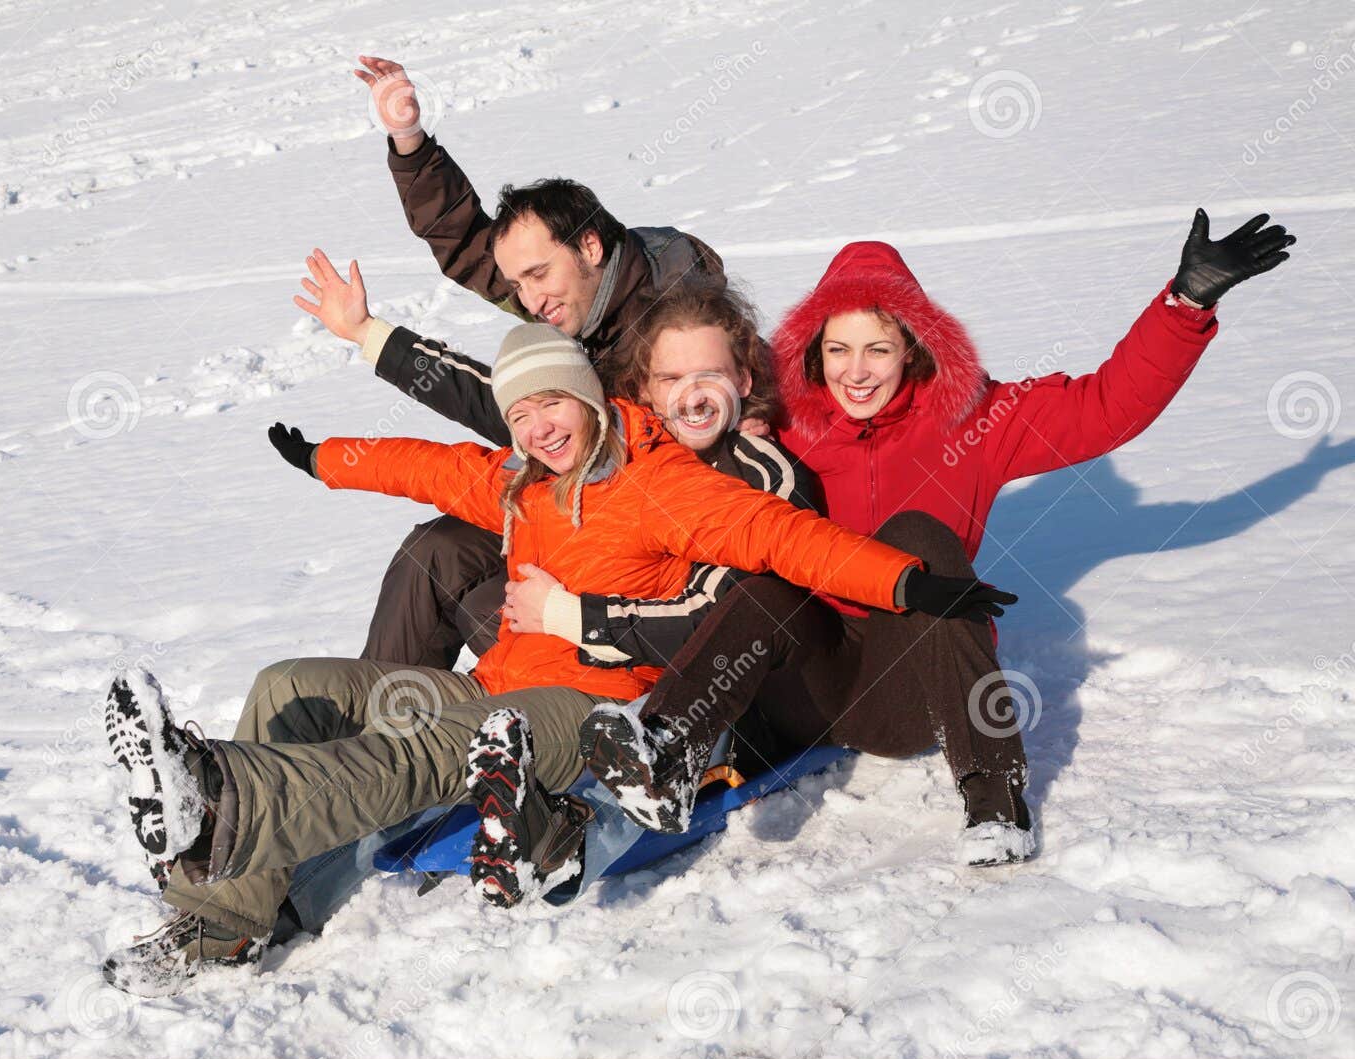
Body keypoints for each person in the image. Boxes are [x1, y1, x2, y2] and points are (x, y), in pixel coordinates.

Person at [101, 322, 1005, 995]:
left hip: (588, 711)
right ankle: (226, 919)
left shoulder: (664, 481)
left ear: (591, 398)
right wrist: (326, 459)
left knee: (424, 752)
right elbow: (431, 465)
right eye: (521, 412)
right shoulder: (522, 483)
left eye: (552, 403)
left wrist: (909, 584)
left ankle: (221, 797)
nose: (539, 424)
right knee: (291, 686)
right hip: (491, 682)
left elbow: (783, 536)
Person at [566, 209, 1294, 868]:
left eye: (877, 349)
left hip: (910, 692)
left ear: (910, 348)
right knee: (767, 585)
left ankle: (995, 801)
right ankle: (665, 751)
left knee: (920, 536)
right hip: (803, 687)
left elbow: (1107, 405)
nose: (857, 371)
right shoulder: (783, 421)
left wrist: (1185, 304)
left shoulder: (977, 420)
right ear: (814, 352)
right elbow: (668, 407)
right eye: (839, 349)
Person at [349, 54, 735, 670]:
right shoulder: (582, 296)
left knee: (488, 606)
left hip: (640, 571)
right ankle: (360, 743)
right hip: (574, 508)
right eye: (518, 284)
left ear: (588, 244)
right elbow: (475, 249)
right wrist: (410, 142)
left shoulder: (678, 325)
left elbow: (543, 421)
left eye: (536, 276)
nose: (528, 300)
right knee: (437, 551)